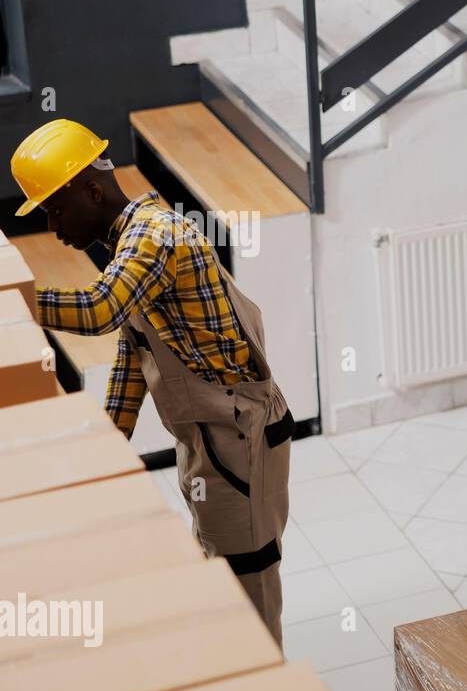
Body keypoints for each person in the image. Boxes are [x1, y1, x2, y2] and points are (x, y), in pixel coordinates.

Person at [10, 119, 292, 646]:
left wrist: (13, 299)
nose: (53, 227)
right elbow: (132, 352)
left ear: (93, 191)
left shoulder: (156, 237)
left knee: (247, 588)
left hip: (239, 437)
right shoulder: (129, 246)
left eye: (55, 208)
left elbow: (97, 311)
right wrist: (107, 451)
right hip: (208, 438)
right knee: (220, 573)